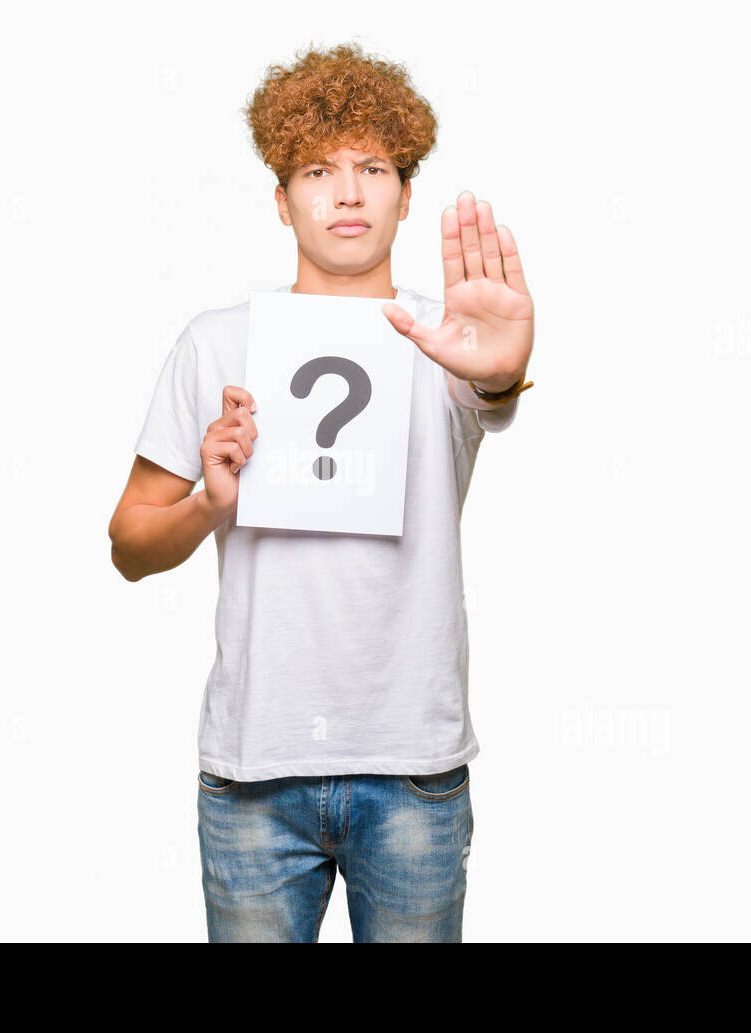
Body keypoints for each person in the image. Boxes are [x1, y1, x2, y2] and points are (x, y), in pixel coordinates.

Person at [109, 42, 534, 942]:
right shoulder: (216, 342)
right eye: (318, 169)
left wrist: (500, 375)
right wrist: (205, 505)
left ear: (406, 193)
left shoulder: (444, 339)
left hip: (413, 768)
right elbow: (129, 545)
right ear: (281, 197)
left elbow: (486, 393)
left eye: (373, 168)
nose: (347, 193)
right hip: (255, 774)